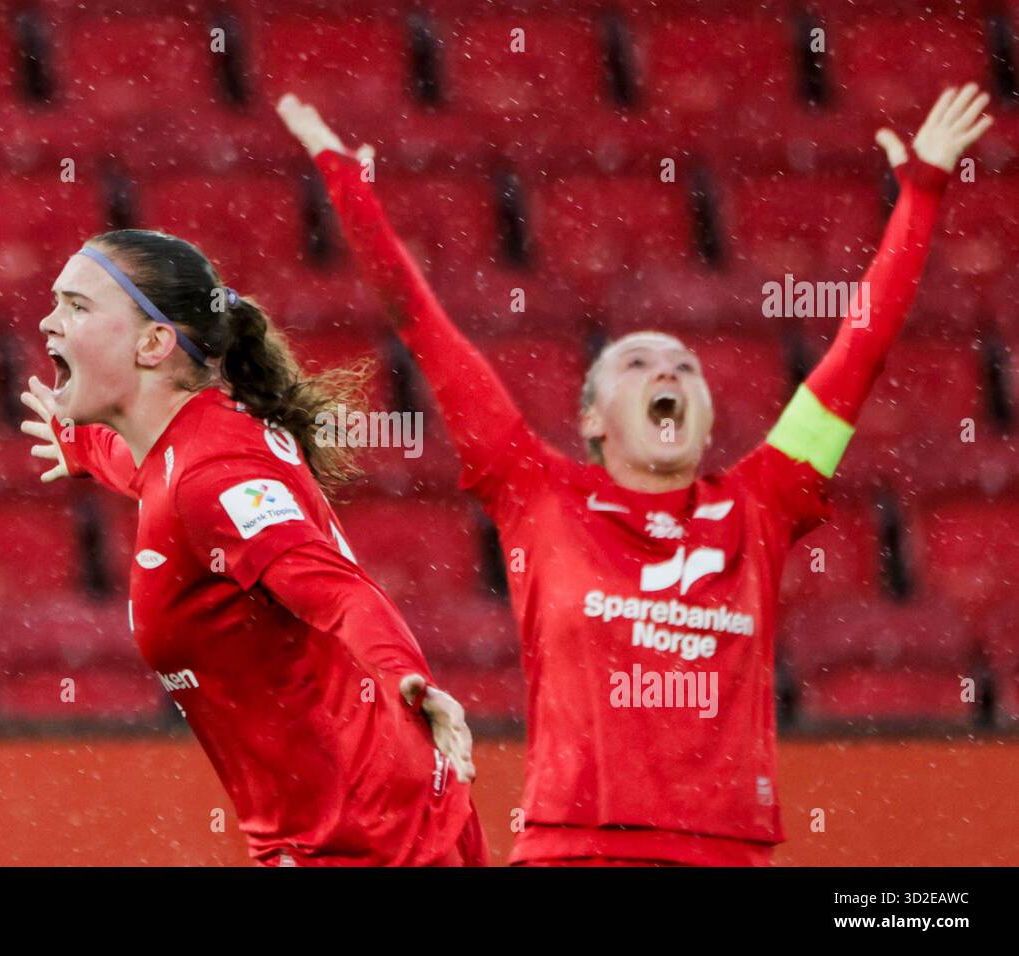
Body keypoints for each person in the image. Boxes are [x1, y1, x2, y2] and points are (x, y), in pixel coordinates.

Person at [277, 84, 992, 865]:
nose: (671, 374)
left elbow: (862, 348)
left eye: (686, 366)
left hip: (726, 853)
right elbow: (420, 320)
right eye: (640, 364)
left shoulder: (765, 501)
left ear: (710, 417)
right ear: (591, 418)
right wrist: (348, 185)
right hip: (572, 852)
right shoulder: (535, 491)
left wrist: (920, 193)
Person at [19, 229, 486, 865]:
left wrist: (410, 677)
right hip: (371, 815)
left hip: (365, 838)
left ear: (154, 344)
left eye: (77, 306)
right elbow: (150, 475)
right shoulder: (193, 444)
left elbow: (339, 591)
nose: (49, 321)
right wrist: (85, 449)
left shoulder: (213, 476)